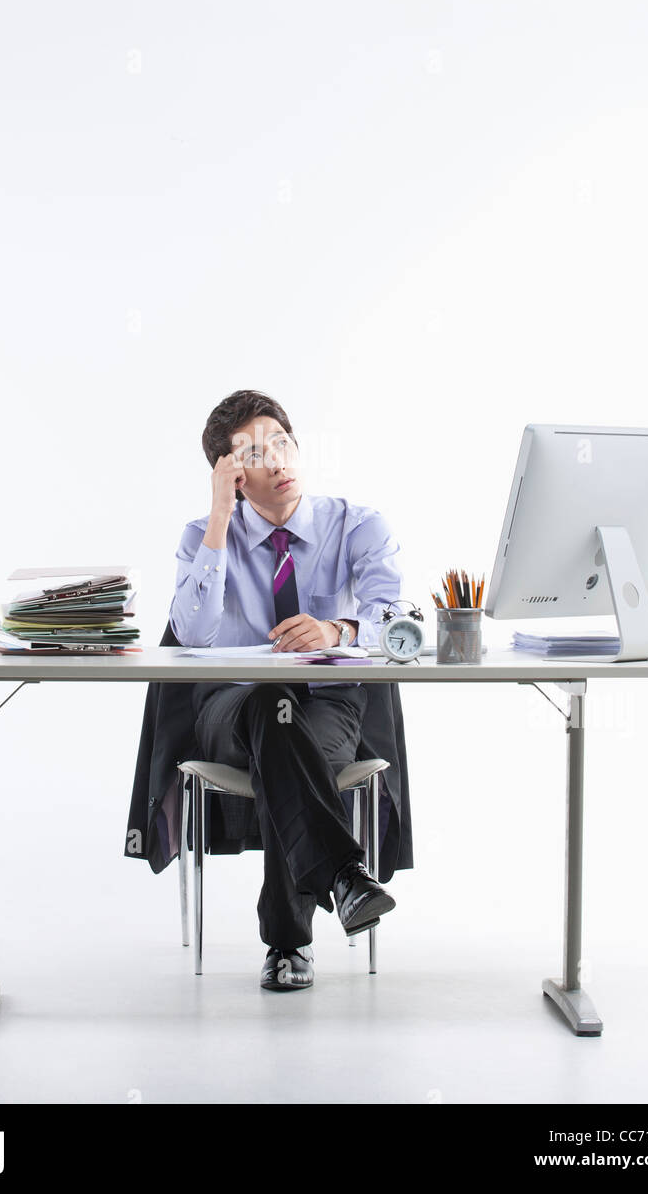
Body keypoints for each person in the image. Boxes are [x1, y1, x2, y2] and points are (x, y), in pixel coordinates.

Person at [169, 388, 404, 991]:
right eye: (253, 452)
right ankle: (345, 876)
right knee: (273, 710)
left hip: (327, 701)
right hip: (234, 703)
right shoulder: (202, 535)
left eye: (282, 442)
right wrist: (220, 519)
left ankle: (288, 941)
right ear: (232, 474)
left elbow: (400, 620)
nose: (276, 460)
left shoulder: (354, 524)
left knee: (288, 749)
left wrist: (339, 628)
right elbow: (190, 635)